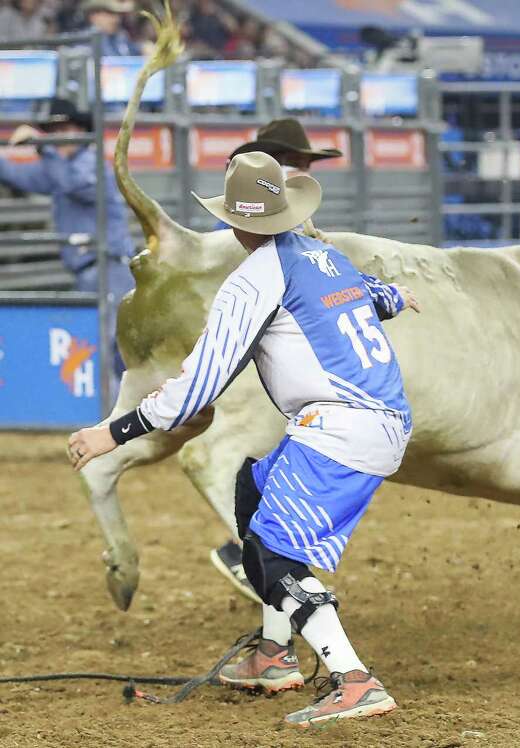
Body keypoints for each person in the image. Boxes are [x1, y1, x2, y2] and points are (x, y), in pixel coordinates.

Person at [67, 152, 421, 727]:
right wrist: (399, 298)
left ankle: (353, 680)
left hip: (341, 426)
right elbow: (373, 297)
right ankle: (273, 655)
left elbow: (199, 382)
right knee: (251, 495)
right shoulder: (325, 258)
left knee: (272, 552)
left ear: (235, 223)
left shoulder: (253, 279)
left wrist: (118, 430)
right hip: (371, 420)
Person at [207, 117, 345, 597]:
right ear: (299, 162)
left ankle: (256, 553)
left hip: (265, 336)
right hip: (280, 338)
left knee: (284, 458)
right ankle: (265, 557)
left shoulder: (251, 199)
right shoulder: (282, 209)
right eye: (305, 161)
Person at [0, 97, 135, 390]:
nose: (58, 136)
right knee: (107, 346)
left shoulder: (87, 164)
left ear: (79, 129)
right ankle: (119, 419)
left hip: (109, 268)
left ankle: (120, 421)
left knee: (115, 346)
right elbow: (19, 175)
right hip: (93, 269)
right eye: (53, 130)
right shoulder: (60, 168)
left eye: (63, 128)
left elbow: (72, 183)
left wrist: (41, 145)